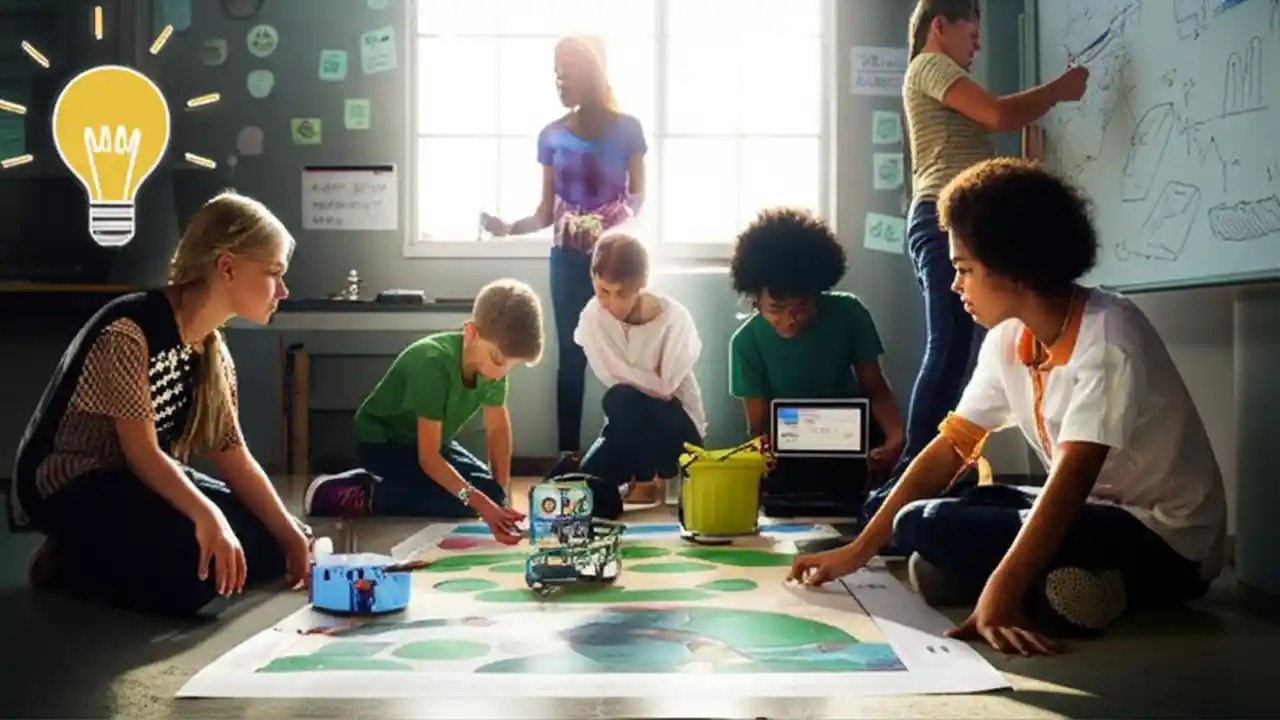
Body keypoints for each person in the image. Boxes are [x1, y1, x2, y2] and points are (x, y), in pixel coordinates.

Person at [789, 159, 1227, 656]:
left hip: (1166, 540)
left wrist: (1000, 594)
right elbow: (951, 448)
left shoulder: (1109, 339)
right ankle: (1056, 586)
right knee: (922, 514)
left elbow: (1071, 480)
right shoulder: (1008, 339)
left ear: (1014, 267)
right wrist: (857, 551)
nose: (955, 285)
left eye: (964, 269)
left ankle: (1059, 587)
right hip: (1091, 513)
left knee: (935, 526)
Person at [12, 191, 311, 616]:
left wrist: (289, 535)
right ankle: (66, 561)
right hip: (75, 481)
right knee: (197, 574)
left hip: (135, 481)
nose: (282, 290)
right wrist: (210, 517)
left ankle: (111, 548)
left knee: (266, 544)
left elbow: (232, 452)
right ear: (227, 267)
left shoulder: (211, 350)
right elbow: (143, 454)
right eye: (274, 273)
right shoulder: (130, 330)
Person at [879, 0, 1090, 509]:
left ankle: (938, 479)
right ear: (939, 26)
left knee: (960, 351)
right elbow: (996, 113)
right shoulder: (929, 64)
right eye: (971, 35)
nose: (976, 48)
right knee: (950, 346)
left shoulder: (936, 76)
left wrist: (1024, 166)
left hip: (958, 221)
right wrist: (1057, 91)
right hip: (941, 219)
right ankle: (908, 481)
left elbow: (970, 151)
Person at [479, 33, 648, 465]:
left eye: (566, 71)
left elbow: (638, 199)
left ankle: (631, 456)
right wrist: (507, 228)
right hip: (567, 260)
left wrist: (609, 226)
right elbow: (543, 212)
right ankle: (568, 457)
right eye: (555, 73)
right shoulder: (550, 135)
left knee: (627, 353)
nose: (559, 80)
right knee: (571, 358)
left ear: (591, 71)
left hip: (616, 260)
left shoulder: (628, 129)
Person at [307, 279, 542, 545]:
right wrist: (481, 504)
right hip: (383, 444)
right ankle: (363, 492)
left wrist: (500, 500)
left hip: (430, 443)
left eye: (511, 366)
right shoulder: (432, 363)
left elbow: (497, 432)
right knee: (461, 502)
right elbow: (428, 459)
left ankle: (403, 489)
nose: (501, 373)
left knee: (488, 494)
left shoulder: (493, 371)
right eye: (498, 360)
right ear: (471, 332)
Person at [728, 208, 904, 511]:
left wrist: (895, 436)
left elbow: (874, 387)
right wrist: (764, 460)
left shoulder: (850, 313)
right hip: (788, 447)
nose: (790, 319)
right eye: (776, 309)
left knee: (863, 499)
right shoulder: (745, 343)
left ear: (817, 293)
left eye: (801, 306)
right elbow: (758, 428)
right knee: (786, 499)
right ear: (756, 302)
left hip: (852, 440)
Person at [571, 233, 705, 518]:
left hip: (678, 426)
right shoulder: (593, 317)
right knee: (585, 492)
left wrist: (631, 381)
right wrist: (640, 381)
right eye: (602, 291)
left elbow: (665, 389)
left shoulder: (675, 318)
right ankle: (631, 483)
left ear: (641, 285)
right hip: (628, 427)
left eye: (621, 294)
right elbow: (611, 375)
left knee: (620, 399)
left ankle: (650, 479)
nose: (609, 303)